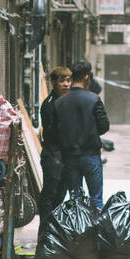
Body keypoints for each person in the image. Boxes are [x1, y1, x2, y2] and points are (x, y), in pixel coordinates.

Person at [48, 60, 110, 211]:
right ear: (87, 77)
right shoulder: (94, 99)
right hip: (91, 155)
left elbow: (54, 130)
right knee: (96, 200)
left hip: (69, 157)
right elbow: (104, 126)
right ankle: (97, 233)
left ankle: (78, 232)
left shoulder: (59, 102)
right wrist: (90, 132)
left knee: (75, 199)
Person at [38, 66, 71, 227]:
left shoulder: (68, 102)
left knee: (60, 195)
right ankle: (45, 231)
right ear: (53, 82)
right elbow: (51, 133)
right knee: (49, 195)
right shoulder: (49, 104)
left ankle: (55, 231)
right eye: (62, 81)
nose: (65, 84)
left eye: (68, 80)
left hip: (65, 156)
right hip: (53, 155)